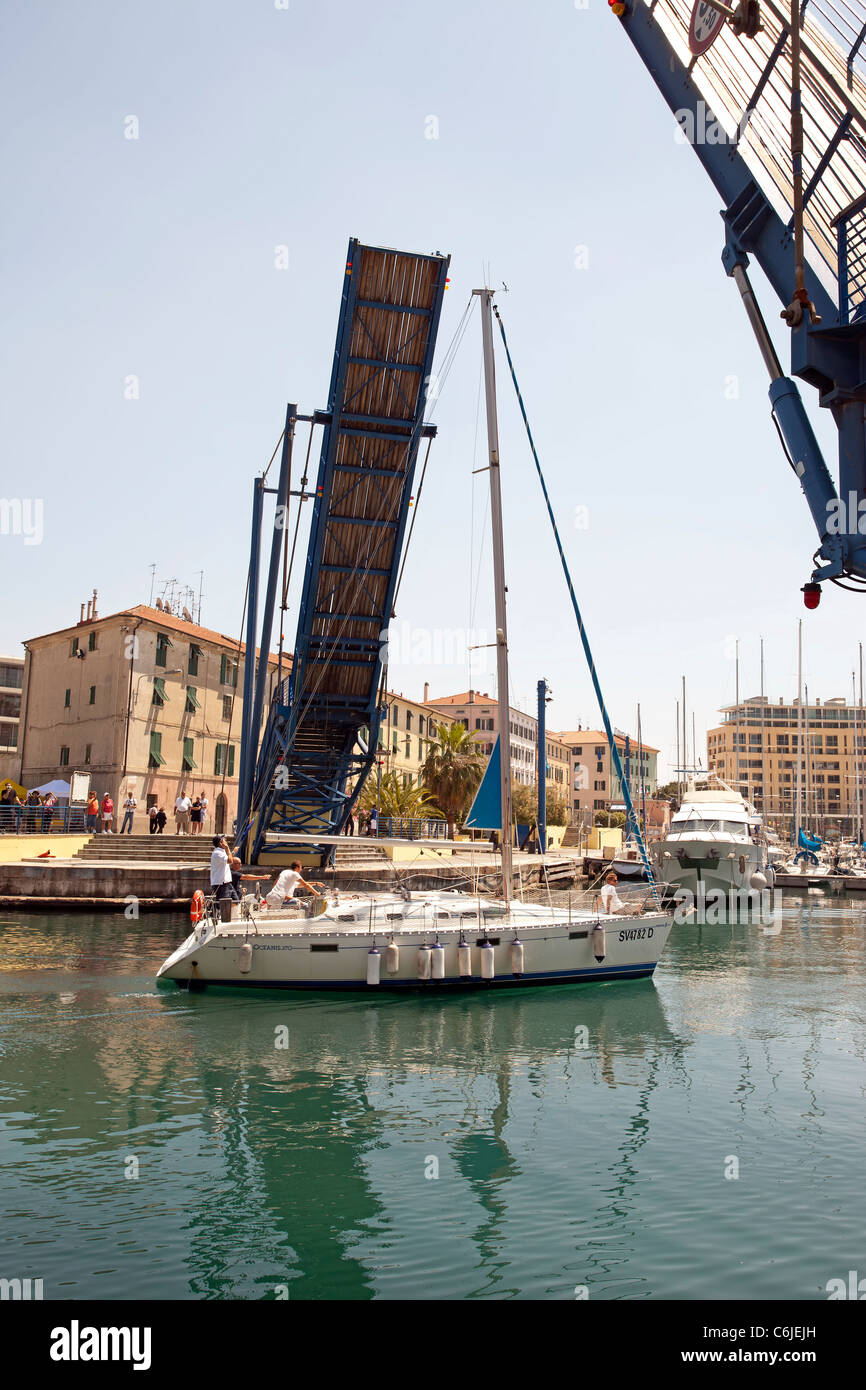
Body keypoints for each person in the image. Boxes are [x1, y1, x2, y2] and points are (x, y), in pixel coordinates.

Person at [210, 835, 236, 904]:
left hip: (226, 882)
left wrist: (232, 852)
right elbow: (230, 861)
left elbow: (228, 857)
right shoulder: (217, 853)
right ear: (220, 843)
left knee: (236, 901)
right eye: (224, 840)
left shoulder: (221, 851)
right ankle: (221, 914)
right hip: (221, 883)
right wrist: (227, 848)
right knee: (224, 903)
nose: (226, 842)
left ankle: (231, 914)